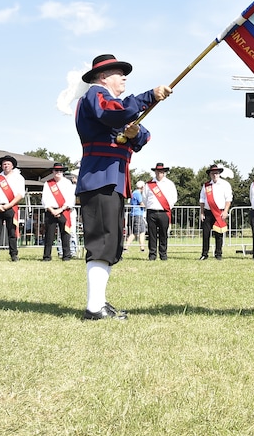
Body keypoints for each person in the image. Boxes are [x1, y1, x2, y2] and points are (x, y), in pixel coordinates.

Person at [76, 53, 171, 320]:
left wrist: (132, 133)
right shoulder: (96, 95)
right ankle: (94, 307)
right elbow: (112, 113)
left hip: (112, 180)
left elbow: (142, 135)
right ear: (103, 77)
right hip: (100, 178)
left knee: (111, 244)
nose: (124, 77)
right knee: (102, 243)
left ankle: (99, 303)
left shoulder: (112, 105)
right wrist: (149, 96)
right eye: (119, 72)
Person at [0, 155, 26, 262]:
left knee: (12, 232)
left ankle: (14, 255)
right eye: (4, 164)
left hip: (11, 207)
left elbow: (20, 195)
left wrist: (8, 205)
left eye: (8, 164)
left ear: (12, 165)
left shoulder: (19, 178)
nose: (6, 166)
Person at [41, 163, 75, 262]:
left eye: (60, 171)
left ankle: (66, 256)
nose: (58, 173)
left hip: (64, 211)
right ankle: (47, 256)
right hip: (51, 211)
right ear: (53, 172)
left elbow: (70, 198)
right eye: (56, 171)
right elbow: (45, 199)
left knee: (65, 234)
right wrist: (52, 210)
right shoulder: (48, 183)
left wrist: (60, 210)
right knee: (49, 235)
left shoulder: (68, 183)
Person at [143, 163, 176, 261]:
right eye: (158, 171)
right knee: (152, 235)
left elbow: (174, 197)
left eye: (161, 172)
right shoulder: (149, 184)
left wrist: (167, 207)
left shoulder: (170, 184)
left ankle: (163, 255)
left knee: (163, 234)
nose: (159, 174)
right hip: (152, 211)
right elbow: (145, 198)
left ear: (164, 173)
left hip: (164, 212)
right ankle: (152, 255)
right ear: (155, 172)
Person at [199, 164, 232, 260]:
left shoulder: (225, 184)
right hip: (208, 212)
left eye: (216, 173)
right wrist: (202, 212)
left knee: (219, 234)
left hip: (219, 212)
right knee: (206, 234)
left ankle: (218, 254)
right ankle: (204, 254)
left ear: (219, 174)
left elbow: (228, 199)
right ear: (210, 174)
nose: (215, 175)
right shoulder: (206, 185)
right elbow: (202, 199)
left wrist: (226, 211)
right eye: (213, 173)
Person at [127, 180, 147, 253]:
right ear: (142, 187)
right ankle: (126, 247)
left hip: (138, 214)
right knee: (135, 233)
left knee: (142, 231)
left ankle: (142, 248)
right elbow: (141, 203)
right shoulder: (137, 193)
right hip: (137, 214)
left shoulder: (134, 193)